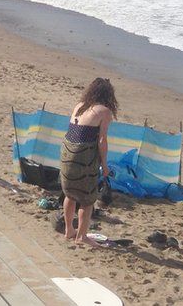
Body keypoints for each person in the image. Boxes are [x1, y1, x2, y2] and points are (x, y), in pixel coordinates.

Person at [62, 78, 116, 247]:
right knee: (87, 199)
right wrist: (104, 165)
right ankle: (81, 236)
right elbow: (102, 140)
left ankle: (69, 230)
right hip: (83, 157)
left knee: (70, 194)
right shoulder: (104, 111)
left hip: (66, 152)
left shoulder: (79, 106)